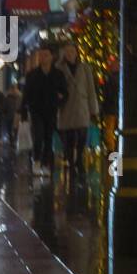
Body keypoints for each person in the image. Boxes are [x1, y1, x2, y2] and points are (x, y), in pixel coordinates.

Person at [56, 41, 98, 184]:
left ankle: (78, 159)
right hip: (66, 107)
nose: (70, 54)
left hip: (81, 106)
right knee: (68, 138)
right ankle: (71, 162)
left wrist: (94, 109)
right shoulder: (59, 68)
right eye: (67, 52)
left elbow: (91, 89)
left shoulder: (85, 68)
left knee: (82, 135)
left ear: (76, 52)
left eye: (72, 51)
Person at [22, 46, 67, 179]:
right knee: (39, 135)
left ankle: (46, 164)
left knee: (48, 138)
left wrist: (59, 101)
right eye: (41, 55)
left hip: (51, 110)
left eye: (46, 55)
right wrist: (24, 110)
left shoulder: (58, 74)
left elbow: (65, 92)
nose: (43, 58)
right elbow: (26, 94)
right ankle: (36, 161)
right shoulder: (32, 75)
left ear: (51, 57)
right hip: (36, 110)